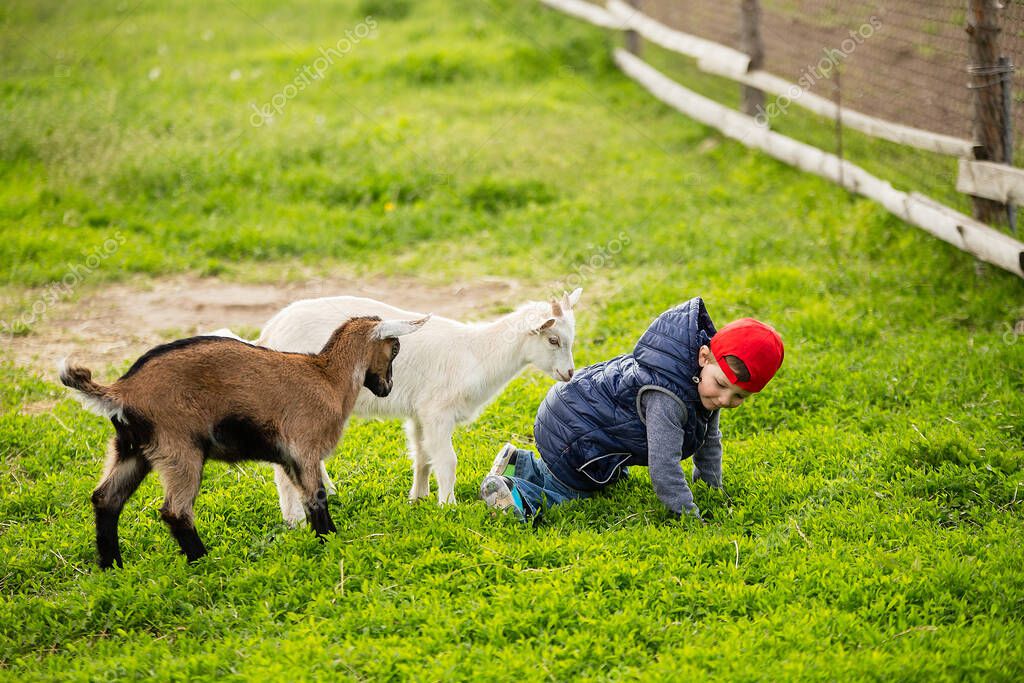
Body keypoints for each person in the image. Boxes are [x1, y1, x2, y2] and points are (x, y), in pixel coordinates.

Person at [479, 297, 783, 522]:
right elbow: (663, 465)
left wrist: (711, 488)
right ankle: (514, 492)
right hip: (574, 430)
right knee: (575, 492)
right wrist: (687, 515)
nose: (725, 399)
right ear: (705, 356)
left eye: (740, 396)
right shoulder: (667, 397)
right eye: (721, 385)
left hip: (573, 414)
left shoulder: (702, 384)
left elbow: (709, 441)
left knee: (602, 477)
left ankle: (519, 462)